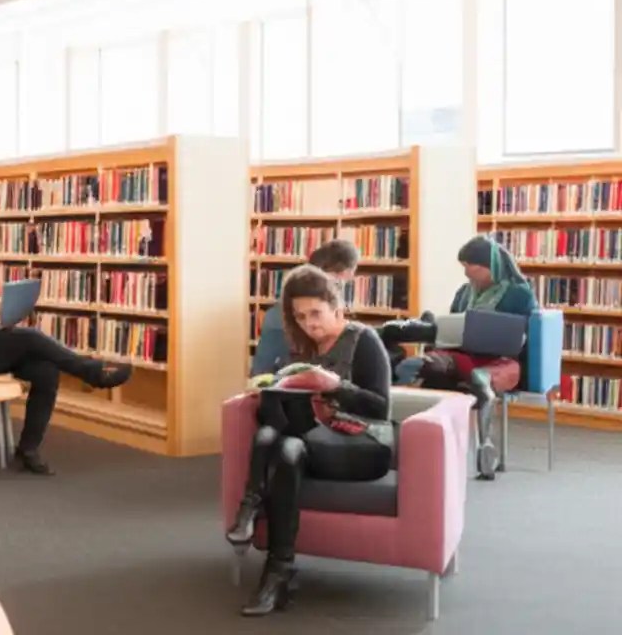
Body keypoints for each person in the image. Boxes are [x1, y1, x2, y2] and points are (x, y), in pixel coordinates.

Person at [226, 265, 393, 617]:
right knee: (285, 443)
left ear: (337, 307)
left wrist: (333, 385)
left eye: (316, 313)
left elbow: (380, 407)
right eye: (300, 316)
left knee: (277, 439)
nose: (309, 323)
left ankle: (252, 506)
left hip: (364, 443)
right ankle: (278, 571)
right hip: (312, 438)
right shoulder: (301, 347)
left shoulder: (364, 339)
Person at [0, 230, 133, 475]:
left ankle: (28, 450)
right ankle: (92, 372)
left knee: (46, 371)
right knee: (32, 337)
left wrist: (3, 317)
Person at [381, 235, 537, 480]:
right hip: (464, 352)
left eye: (470, 267)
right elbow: (454, 324)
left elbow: (520, 336)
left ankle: (486, 452)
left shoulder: (519, 294)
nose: (466, 273)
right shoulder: (464, 292)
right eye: (463, 266)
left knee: (479, 379)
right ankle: (418, 444)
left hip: (504, 360)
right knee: (426, 366)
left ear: (489, 265)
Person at [251, 239, 361, 376]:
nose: (350, 278)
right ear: (343, 271)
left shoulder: (290, 298)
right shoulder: (291, 312)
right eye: (350, 272)